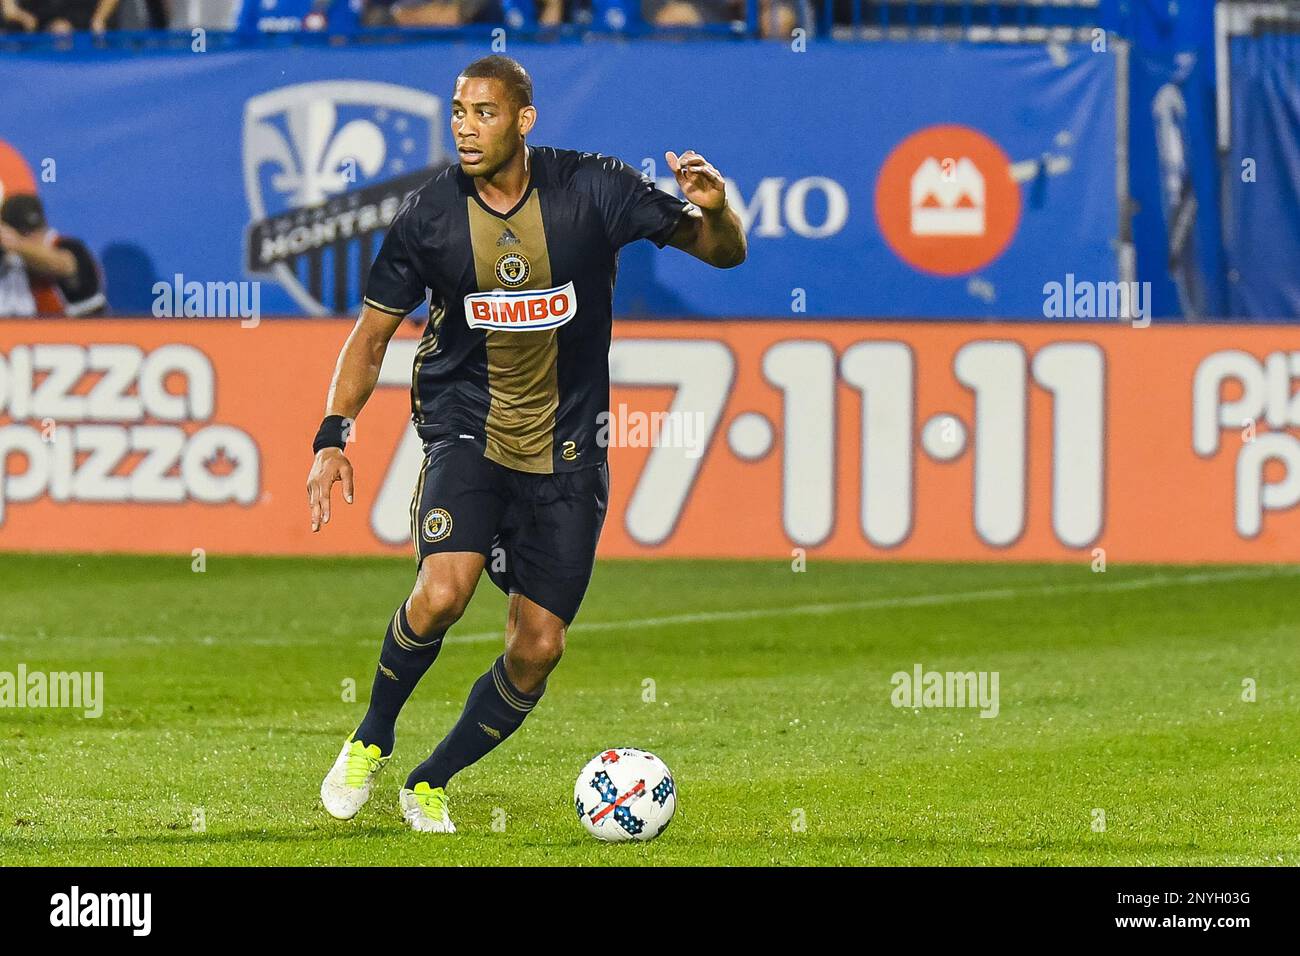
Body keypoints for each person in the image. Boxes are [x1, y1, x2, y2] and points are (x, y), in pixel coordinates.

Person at [309, 54, 745, 833]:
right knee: (443, 591)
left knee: (537, 648)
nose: (465, 128)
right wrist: (332, 436)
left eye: (483, 113)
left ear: (523, 120)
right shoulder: (432, 215)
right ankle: (369, 738)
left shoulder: (595, 189)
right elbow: (372, 335)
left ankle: (429, 781)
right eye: (457, 111)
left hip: (569, 452)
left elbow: (723, 252)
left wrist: (717, 211)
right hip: (466, 428)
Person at [0, 194, 105, 316]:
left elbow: (64, 265)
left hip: (83, 329)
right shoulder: (8, 254)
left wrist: (16, 244)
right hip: (27, 330)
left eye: (36, 230)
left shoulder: (69, 247)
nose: (34, 237)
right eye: (24, 233)